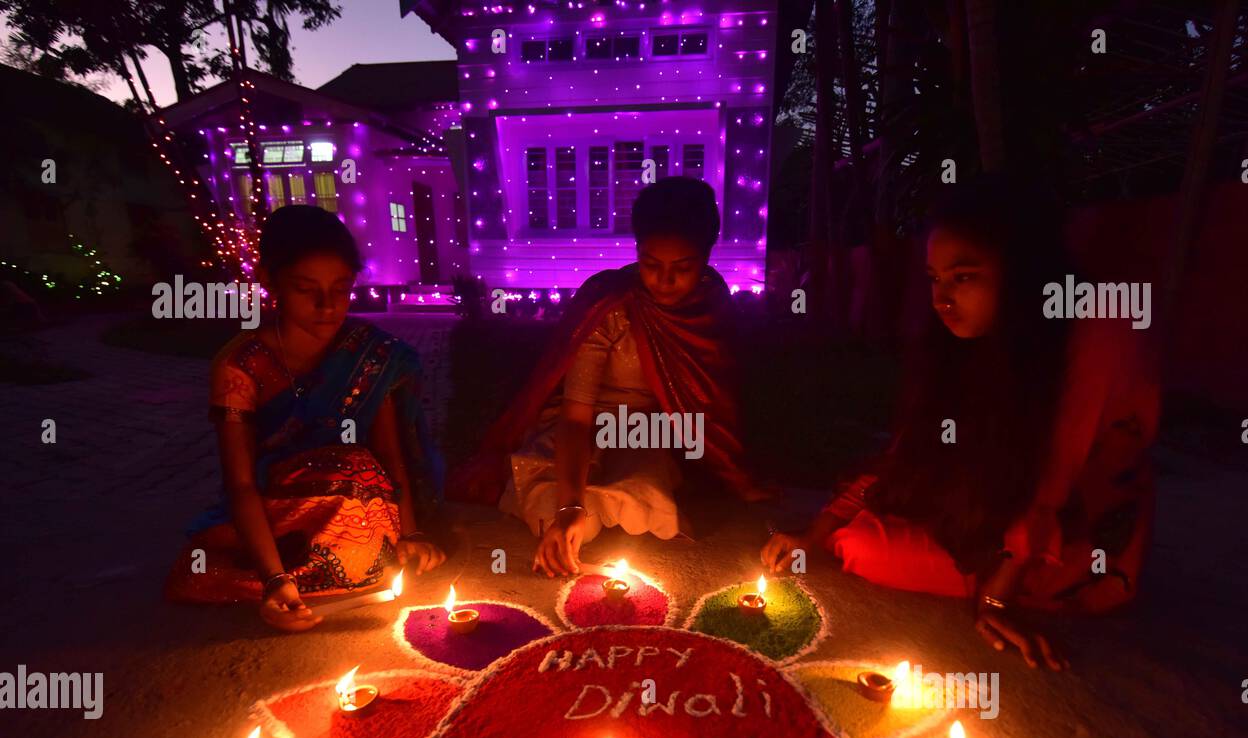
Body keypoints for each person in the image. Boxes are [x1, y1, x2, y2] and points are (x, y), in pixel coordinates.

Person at [762, 177, 1160, 669]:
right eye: (934, 279)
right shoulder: (962, 342)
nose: (941, 299)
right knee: (857, 536)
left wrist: (997, 596)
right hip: (984, 503)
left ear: (1024, 275)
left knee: (865, 547)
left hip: (1067, 533)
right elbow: (907, 455)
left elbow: (1056, 479)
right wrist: (817, 531)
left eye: (964, 277)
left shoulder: (1099, 331)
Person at [449, 176, 769, 577]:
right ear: (637, 253)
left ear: (705, 257)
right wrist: (569, 509)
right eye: (651, 265)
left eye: (682, 268)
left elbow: (713, 399)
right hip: (580, 428)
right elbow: (576, 418)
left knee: (644, 493)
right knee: (562, 505)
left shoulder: (710, 302)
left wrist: (714, 454)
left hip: (650, 431)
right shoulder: (611, 303)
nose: (665, 281)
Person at [165, 205, 446, 630]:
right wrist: (274, 578)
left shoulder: (372, 355)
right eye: (305, 289)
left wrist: (412, 533)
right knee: (205, 560)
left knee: (355, 471)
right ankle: (295, 578)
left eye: (341, 288)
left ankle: (329, 568)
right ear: (269, 281)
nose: (326, 305)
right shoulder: (240, 366)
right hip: (281, 506)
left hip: (359, 502)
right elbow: (240, 483)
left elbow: (390, 454)